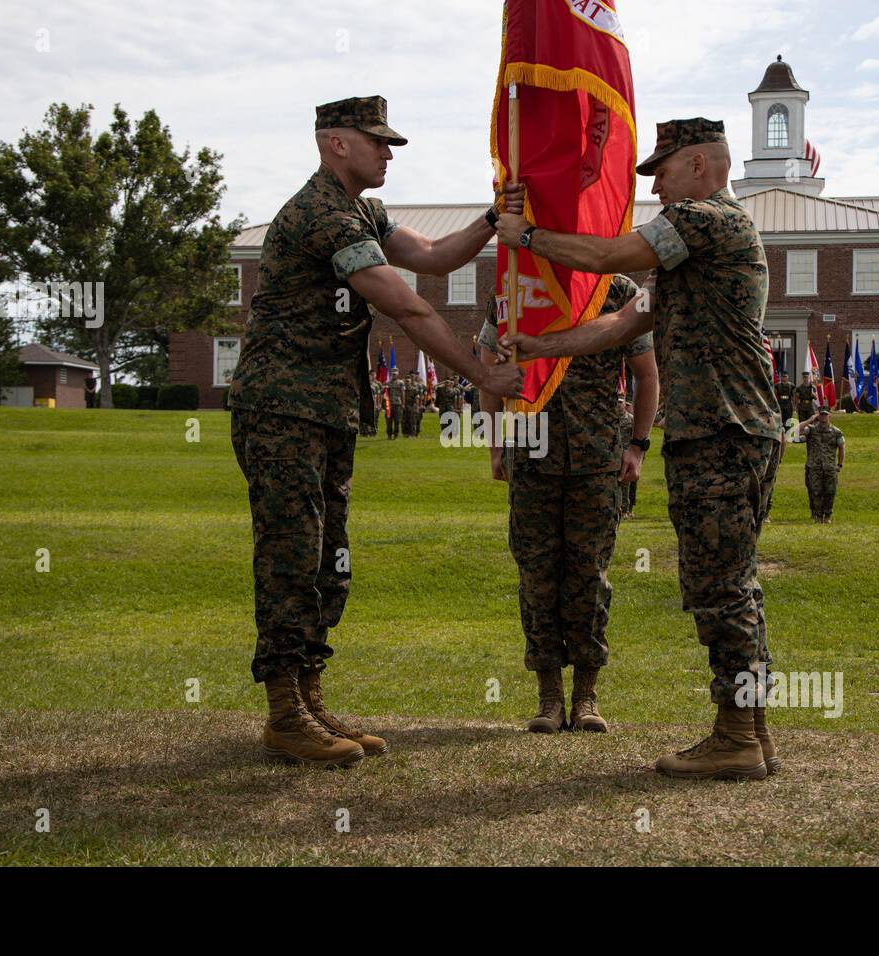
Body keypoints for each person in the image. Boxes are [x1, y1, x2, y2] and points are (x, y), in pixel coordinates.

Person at [227, 95, 523, 767]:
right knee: (290, 559)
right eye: (378, 141)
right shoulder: (321, 215)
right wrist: (484, 375)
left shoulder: (362, 210)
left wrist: (491, 217)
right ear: (337, 144)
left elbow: (437, 259)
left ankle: (308, 699)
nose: (389, 153)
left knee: (330, 558)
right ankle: (283, 714)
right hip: (282, 410)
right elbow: (409, 307)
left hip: (324, 411)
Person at [498, 117, 782, 780]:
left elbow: (604, 259)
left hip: (722, 431)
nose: (653, 186)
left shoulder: (709, 220)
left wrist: (528, 236)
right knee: (723, 583)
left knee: (723, 587)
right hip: (717, 431)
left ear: (703, 168)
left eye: (663, 170)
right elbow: (626, 322)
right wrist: (545, 347)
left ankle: (739, 733)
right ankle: (748, 733)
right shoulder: (695, 248)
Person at [479, 275, 658, 735]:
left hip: (596, 457)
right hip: (531, 453)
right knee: (537, 576)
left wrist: (637, 445)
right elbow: (488, 368)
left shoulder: (618, 291)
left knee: (588, 576)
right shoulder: (516, 283)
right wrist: (495, 444)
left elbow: (646, 374)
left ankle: (585, 695)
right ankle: (548, 697)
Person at [801, 408, 844, 523]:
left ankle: (827, 515)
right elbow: (794, 435)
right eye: (821, 415)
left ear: (829, 415)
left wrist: (839, 464)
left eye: (826, 415)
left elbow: (841, 448)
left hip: (829, 467)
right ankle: (817, 515)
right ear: (818, 416)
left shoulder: (836, 432)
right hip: (814, 466)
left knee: (830, 491)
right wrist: (809, 420)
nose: (824, 417)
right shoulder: (810, 430)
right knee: (815, 491)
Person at [385, 372, 403, 440]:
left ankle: (396, 434)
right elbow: (383, 392)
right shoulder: (388, 383)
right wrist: (385, 388)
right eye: (393, 374)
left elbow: (402, 393)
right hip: (389, 405)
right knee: (389, 421)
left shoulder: (400, 383)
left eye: (395, 374)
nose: (394, 375)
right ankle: (389, 435)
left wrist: (403, 403)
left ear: (397, 375)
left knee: (397, 421)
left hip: (397, 404)